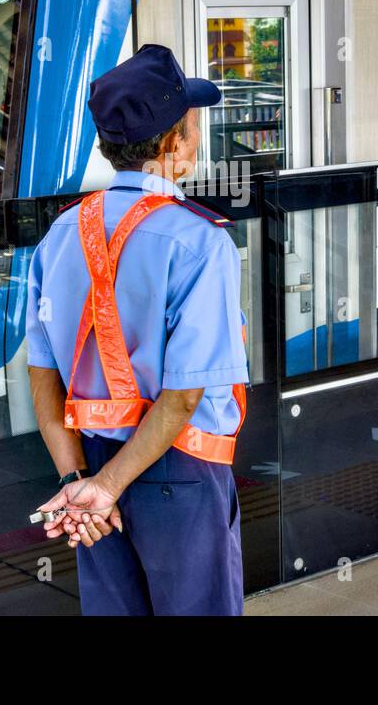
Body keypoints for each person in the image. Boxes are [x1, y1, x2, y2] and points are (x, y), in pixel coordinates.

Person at [25, 43, 249, 616]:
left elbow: (44, 377)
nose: (197, 137)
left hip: (92, 466)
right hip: (180, 472)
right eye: (192, 125)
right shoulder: (200, 242)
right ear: (173, 144)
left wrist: (83, 481)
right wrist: (107, 487)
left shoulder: (58, 238)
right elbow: (181, 398)